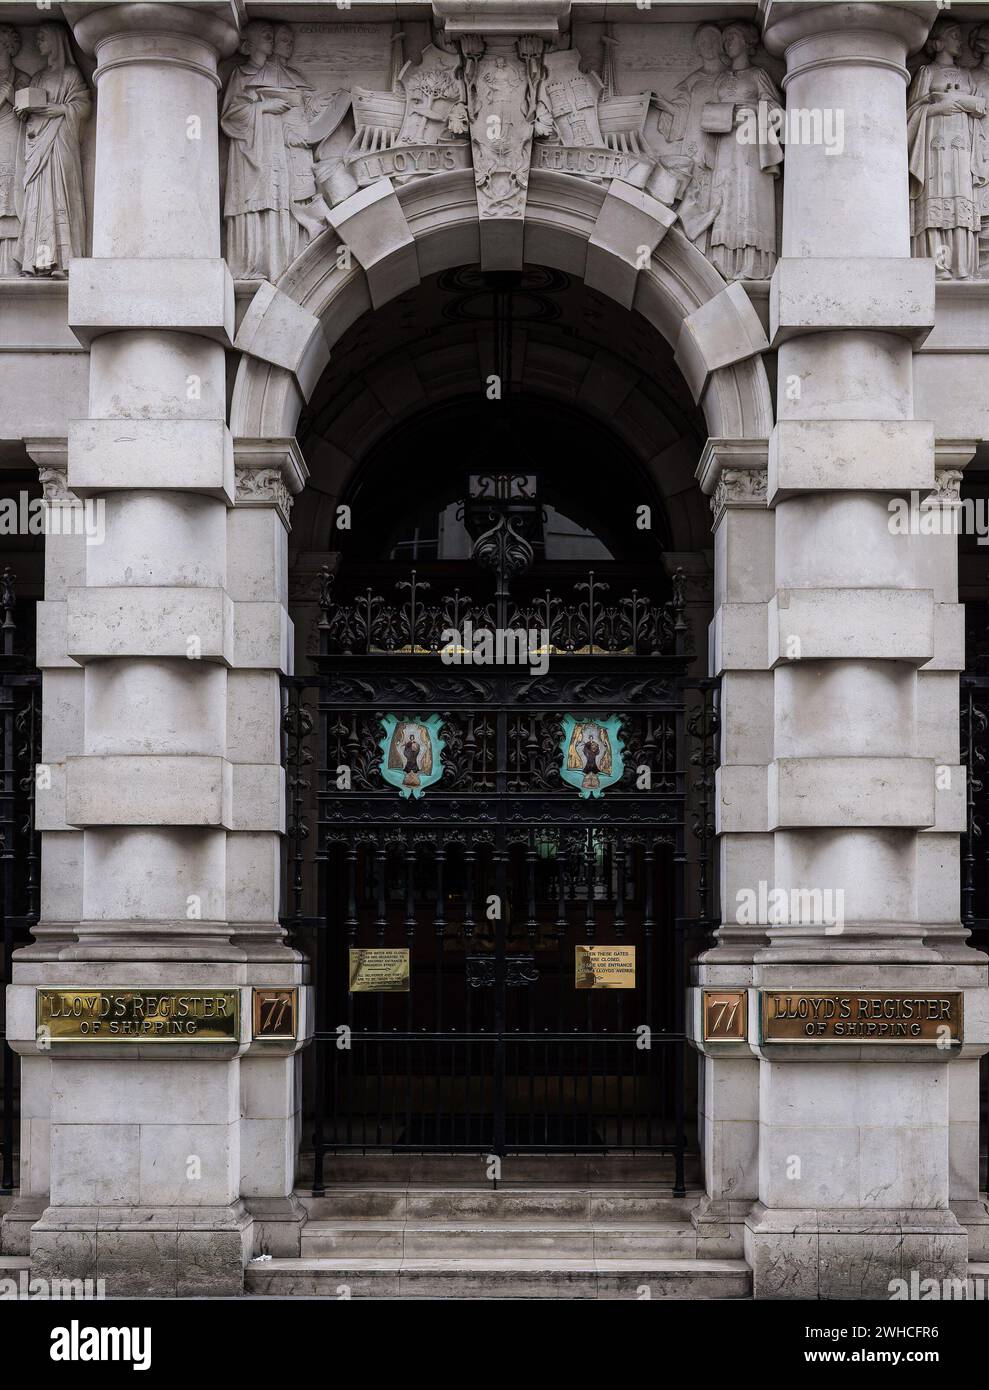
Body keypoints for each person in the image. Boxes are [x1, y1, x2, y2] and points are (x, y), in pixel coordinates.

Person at [908, 21, 987, 281]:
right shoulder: (926, 72)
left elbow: (980, 105)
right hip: (935, 146)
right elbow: (912, 112)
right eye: (954, 35)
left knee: (961, 204)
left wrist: (958, 102)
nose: (959, 41)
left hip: (963, 146)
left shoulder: (966, 75)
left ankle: (961, 266)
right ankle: (940, 266)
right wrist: (937, 108)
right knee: (936, 206)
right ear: (939, 41)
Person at [221, 20, 301, 279]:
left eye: (271, 35)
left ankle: (277, 262)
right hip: (250, 153)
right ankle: (250, 264)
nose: (271, 37)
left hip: (276, 147)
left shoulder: (278, 74)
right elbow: (230, 116)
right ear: (249, 43)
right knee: (253, 202)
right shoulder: (241, 75)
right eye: (265, 35)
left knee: (277, 199)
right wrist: (264, 107)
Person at [705, 21, 782, 281]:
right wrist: (729, 113)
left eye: (733, 37)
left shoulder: (758, 75)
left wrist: (751, 112)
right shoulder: (721, 80)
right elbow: (708, 112)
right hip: (725, 147)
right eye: (725, 38)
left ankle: (753, 263)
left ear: (748, 43)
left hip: (751, 146)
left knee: (749, 197)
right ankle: (722, 259)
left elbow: (775, 111)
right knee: (725, 195)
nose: (728, 42)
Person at [14, 23, 89, 277]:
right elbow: (32, 112)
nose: (38, 43)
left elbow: (83, 104)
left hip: (59, 146)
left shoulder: (70, 75)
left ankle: (63, 262)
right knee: (38, 202)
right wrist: (24, 112)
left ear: (56, 40)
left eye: (42, 38)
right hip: (38, 148)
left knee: (59, 199)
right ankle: (38, 262)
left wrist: (62, 110)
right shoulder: (38, 78)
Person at [0, 25, 28, 275]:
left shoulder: (21, 79)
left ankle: (11, 264)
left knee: (9, 200)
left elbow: (34, 116)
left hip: (12, 144)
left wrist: (12, 98)